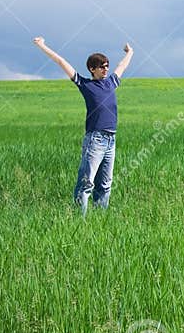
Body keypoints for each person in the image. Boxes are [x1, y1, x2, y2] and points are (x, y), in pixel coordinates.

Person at [33, 37, 133, 215]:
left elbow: (122, 66)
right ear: (92, 69)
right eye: (101, 66)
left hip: (111, 139)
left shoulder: (110, 83)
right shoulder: (86, 85)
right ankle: (81, 221)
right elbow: (61, 61)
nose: (105, 69)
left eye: (107, 65)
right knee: (87, 182)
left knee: (105, 184)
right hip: (95, 139)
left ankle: (100, 221)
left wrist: (130, 52)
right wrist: (42, 46)